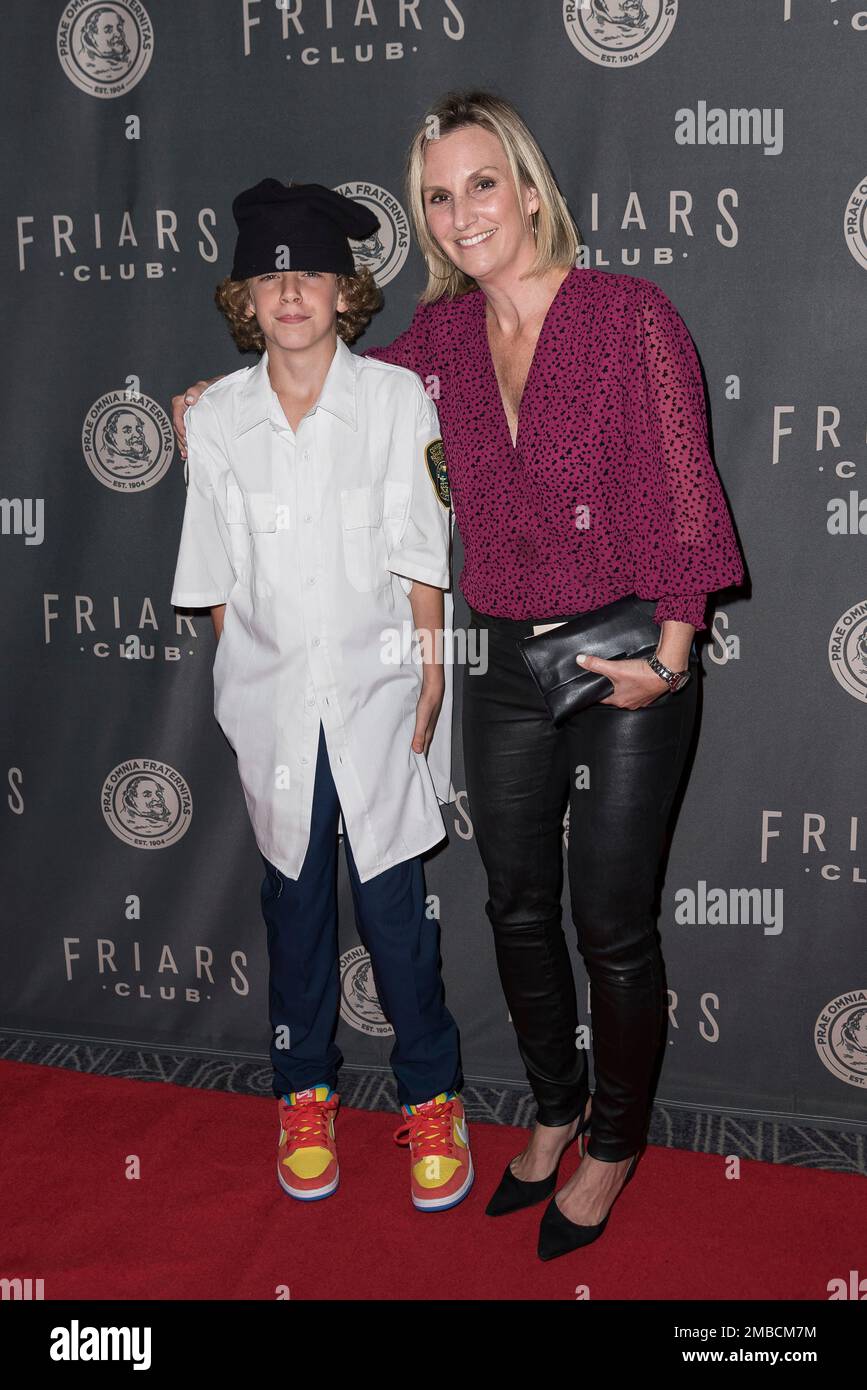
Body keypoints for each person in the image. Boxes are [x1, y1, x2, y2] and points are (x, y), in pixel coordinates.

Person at [172, 91, 745, 1260]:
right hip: (503, 656)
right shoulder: (432, 344)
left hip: (629, 644)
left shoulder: (631, 313)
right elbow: (321, 377)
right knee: (516, 908)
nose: (462, 210)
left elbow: (688, 489)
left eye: (483, 182)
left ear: (530, 190)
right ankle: (549, 1112)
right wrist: (208, 403)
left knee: (612, 925)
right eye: (439, 194)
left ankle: (614, 1143)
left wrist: (672, 660)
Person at [169, 178, 472, 1212]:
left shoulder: (394, 399)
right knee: (293, 914)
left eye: (308, 272)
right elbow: (212, 576)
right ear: (243, 299)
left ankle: (433, 1097)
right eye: (268, 274)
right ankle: (303, 1090)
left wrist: (431, 674)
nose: (289, 290)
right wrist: (254, 686)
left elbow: (419, 549)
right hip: (276, 711)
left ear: (346, 292)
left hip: (382, 700)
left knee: (397, 915)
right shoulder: (215, 419)